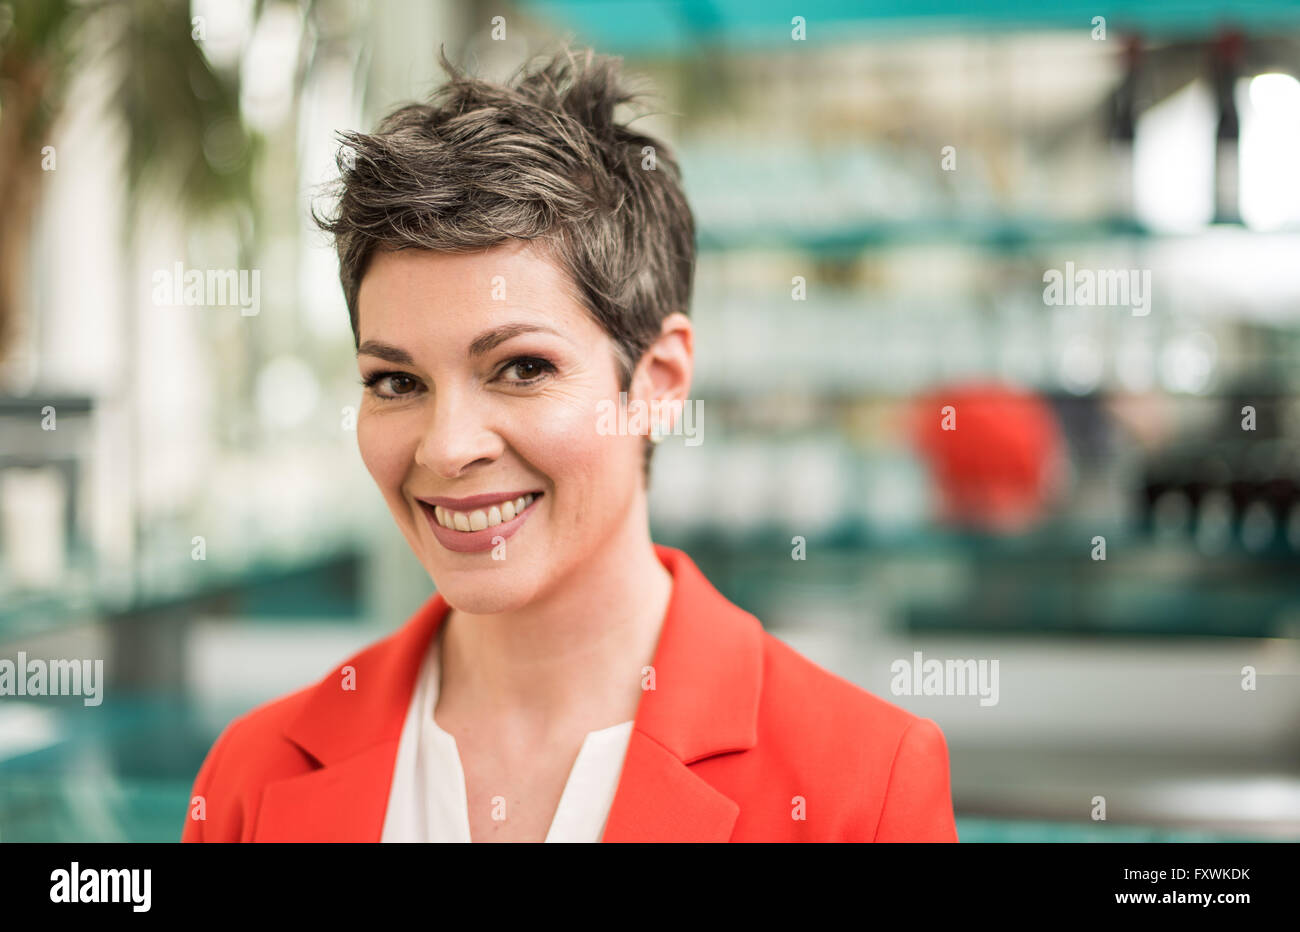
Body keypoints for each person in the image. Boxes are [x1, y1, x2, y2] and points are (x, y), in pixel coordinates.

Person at [181, 45, 958, 843]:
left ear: (657, 383)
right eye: (396, 381)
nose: (447, 448)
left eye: (522, 368)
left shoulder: (862, 792)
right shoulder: (251, 778)